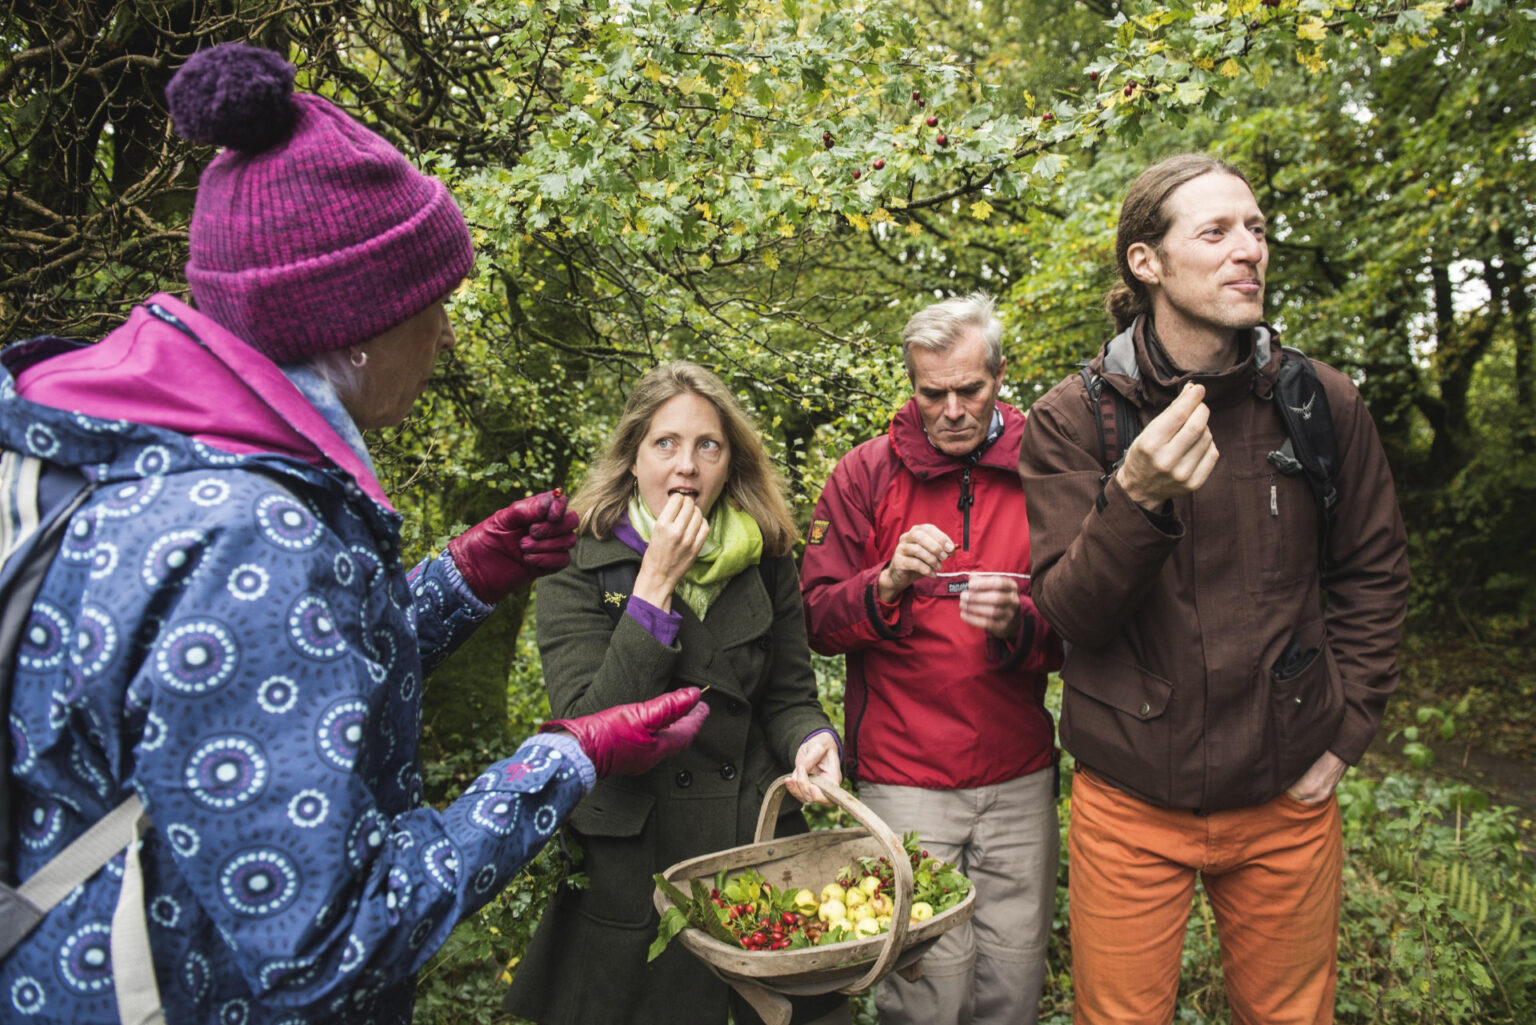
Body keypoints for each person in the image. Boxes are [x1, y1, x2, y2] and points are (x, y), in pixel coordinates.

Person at [0, 43, 708, 1025]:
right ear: (361, 325)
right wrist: (564, 758)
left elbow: (245, 692)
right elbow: (329, 943)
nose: (447, 337)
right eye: (435, 308)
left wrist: (461, 578)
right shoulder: (258, 540)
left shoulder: (139, 446)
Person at [1017, 153, 1411, 1025]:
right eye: (1217, 231)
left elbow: (1372, 572)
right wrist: (1138, 495)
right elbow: (1070, 612)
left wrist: (1344, 735)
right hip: (1129, 799)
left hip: (1286, 792)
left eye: (1257, 229)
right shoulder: (1072, 419)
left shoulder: (1320, 402)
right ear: (1145, 262)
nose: (1250, 251)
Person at [505, 361, 847, 1025]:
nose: (685, 465)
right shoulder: (577, 559)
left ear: (730, 462)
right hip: (637, 862)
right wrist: (653, 587)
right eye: (665, 443)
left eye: (706, 446)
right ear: (632, 457)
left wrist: (812, 739)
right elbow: (586, 726)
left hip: (753, 844)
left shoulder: (767, 552)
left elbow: (786, 695)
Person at [801, 293, 1063, 1025]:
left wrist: (1020, 623)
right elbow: (816, 617)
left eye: (969, 390)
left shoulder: (1048, 467)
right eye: (932, 392)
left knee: (1012, 980)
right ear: (912, 383)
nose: (951, 408)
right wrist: (884, 584)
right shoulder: (863, 475)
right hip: (904, 780)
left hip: (1018, 776)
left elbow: (1089, 622)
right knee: (926, 987)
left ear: (1000, 376)